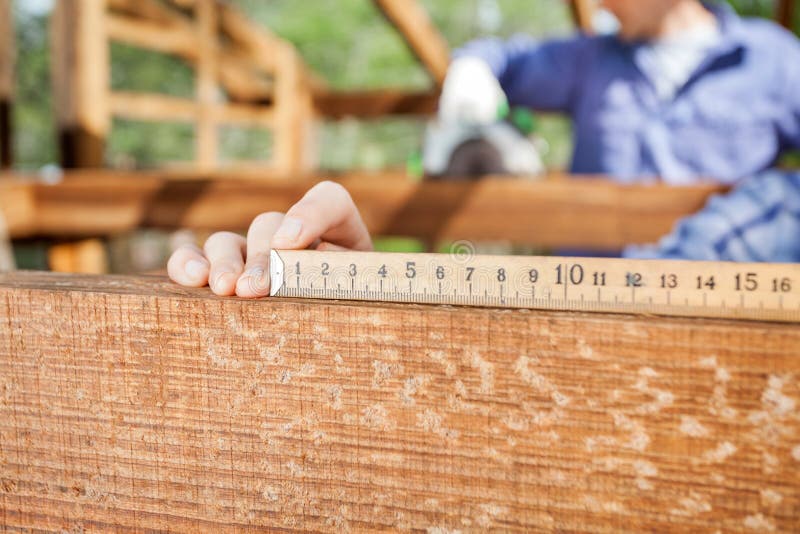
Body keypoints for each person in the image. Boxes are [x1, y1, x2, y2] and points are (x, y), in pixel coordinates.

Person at [168, 0, 800, 296]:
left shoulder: (775, 59)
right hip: (575, 306)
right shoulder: (587, 59)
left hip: (724, 313)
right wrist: (471, 70)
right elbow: (495, 58)